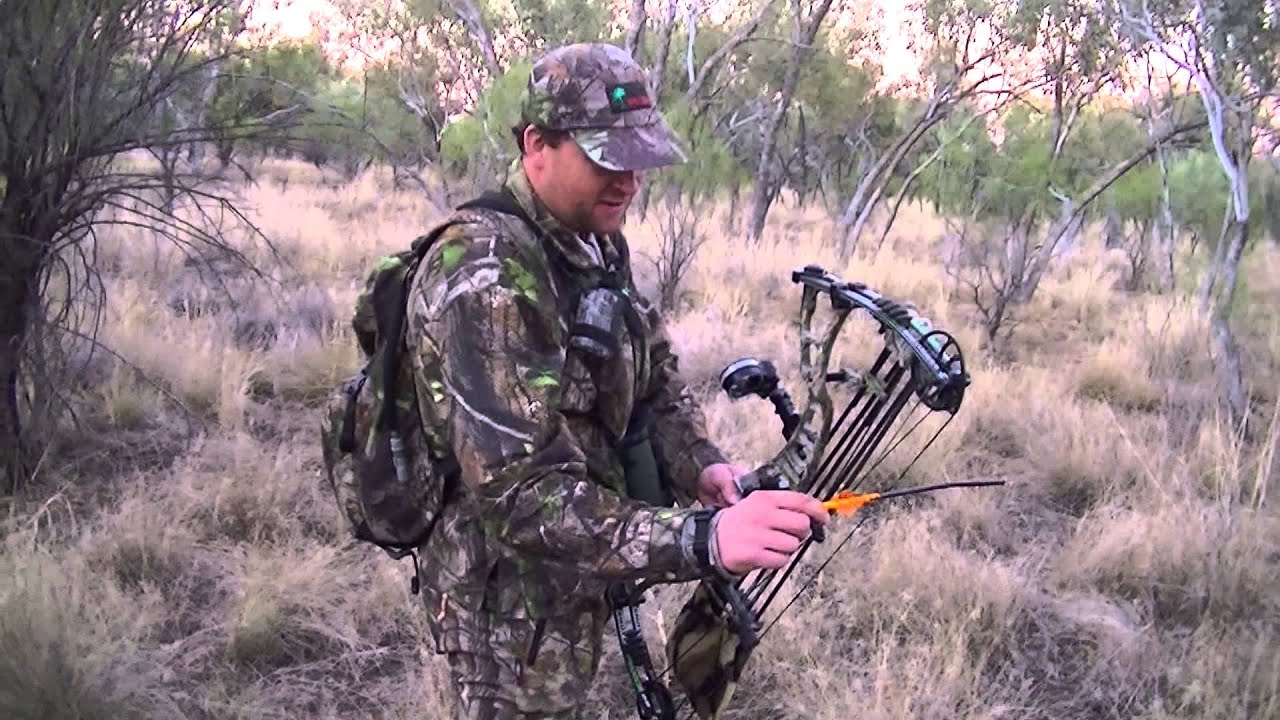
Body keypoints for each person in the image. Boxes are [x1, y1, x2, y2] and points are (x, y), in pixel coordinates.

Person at [404, 41, 829, 720]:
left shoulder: (596, 242)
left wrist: (701, 465)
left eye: (640, 159)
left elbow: (651, 376)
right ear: (536, 144)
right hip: (505, 605)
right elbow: (520, 496)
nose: (629, 180)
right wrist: (705, 541)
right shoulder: (480, 273)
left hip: (580, 573)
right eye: (607, 156)